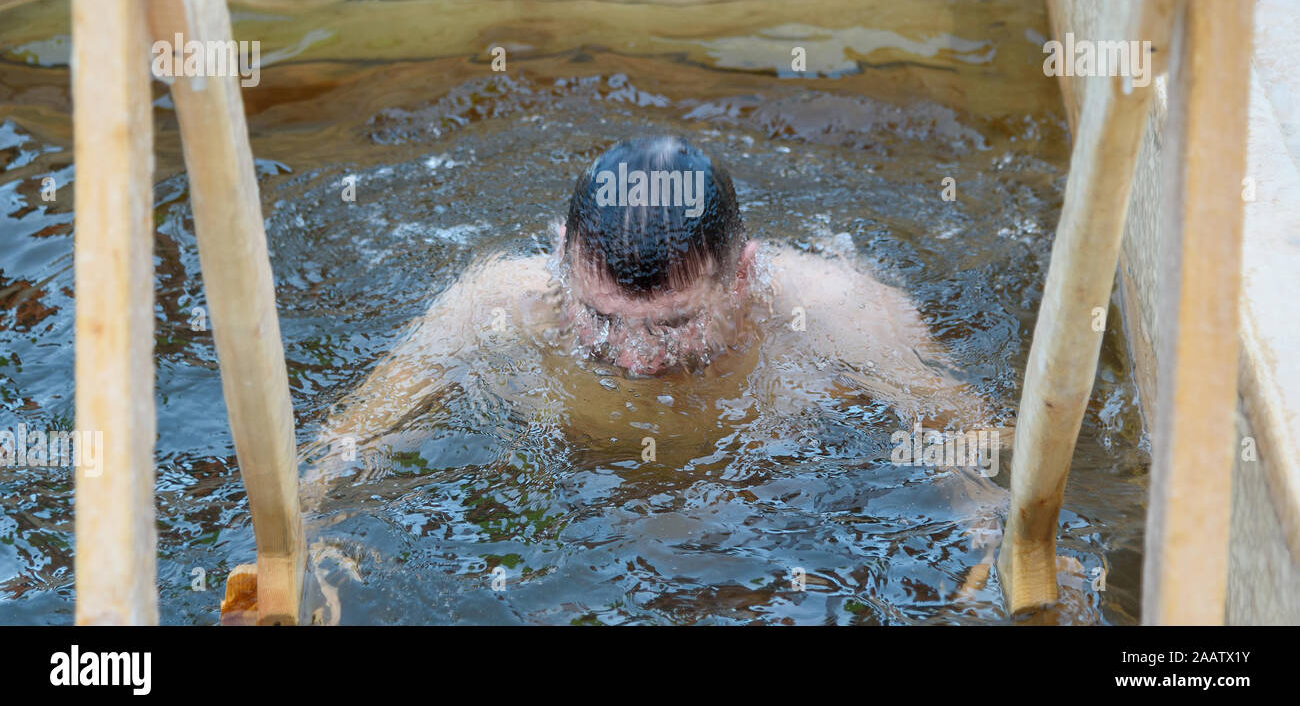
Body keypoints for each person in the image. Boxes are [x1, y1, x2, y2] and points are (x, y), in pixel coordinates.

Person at [301, 135, 1001, 501]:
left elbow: (967, 444)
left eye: (672, 325)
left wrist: (994, 538)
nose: (636, 359)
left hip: (768, 509)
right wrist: (302, 531)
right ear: (559, 259)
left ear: (745, 274)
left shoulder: (838, 313)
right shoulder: (493, 304)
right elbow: (357, 434)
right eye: (601, 317)